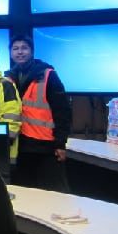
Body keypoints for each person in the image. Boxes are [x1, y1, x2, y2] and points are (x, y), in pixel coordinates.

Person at [5, 35, 71, 192]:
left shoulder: (48, 75)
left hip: (45, 147)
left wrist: (60, 143)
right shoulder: (8, 78)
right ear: (10, 53)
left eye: (24, 48)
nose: (20, 52)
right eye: (15, 49)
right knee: (25, 194)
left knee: (54, 194)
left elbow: (63, 111)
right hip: (20, 146)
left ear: (32, 51)